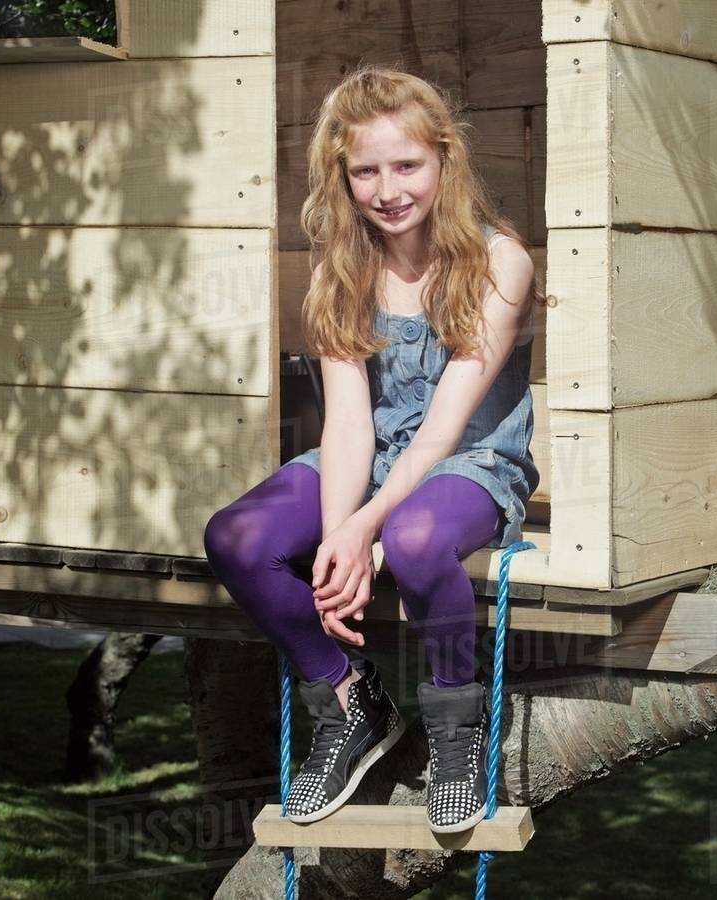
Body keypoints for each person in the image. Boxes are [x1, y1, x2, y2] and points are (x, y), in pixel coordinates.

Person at [202, 64, 543, 834]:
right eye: (365, 171)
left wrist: (369, 527)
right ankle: (348, 698)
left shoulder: (499, 263)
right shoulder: (339, 268)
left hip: (470, 460)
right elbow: (350, 422)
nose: (388, 189)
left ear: (444, 161)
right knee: (237, 537)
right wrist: (338, 541)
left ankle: (456, 734)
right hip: (376, 456)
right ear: (342, 175)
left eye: (406, 165)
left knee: (415, 539)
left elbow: (449, 423)